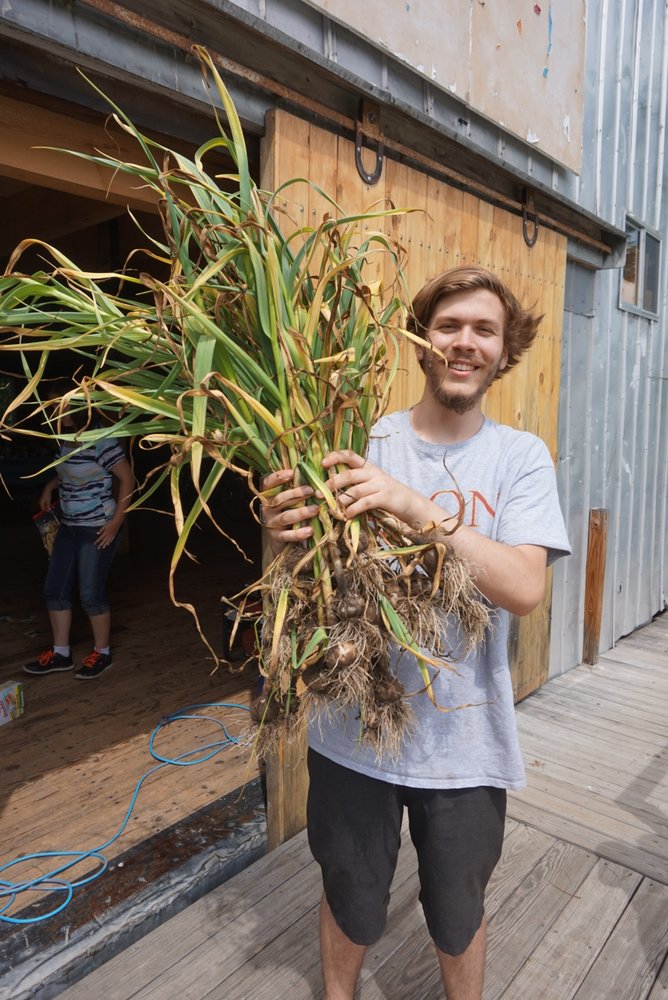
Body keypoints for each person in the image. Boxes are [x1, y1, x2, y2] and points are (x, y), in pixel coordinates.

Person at [261, 265, 571, 999]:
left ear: (505, 350)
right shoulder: (356, 438)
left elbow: (524, 587)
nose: (465, 343)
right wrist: (277, 536)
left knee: (458, 913)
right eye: (449, 326)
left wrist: (409, 503)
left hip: (466, 742)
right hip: (353, 732)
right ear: (421, 339)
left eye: (484, 330)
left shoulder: (519, 457)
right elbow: (298, 575)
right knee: (351, 895)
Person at [23, 385, 134, 680]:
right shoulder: (62, 439)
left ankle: (102, 653)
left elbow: (127, 480)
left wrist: (114, 524)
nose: (57, 412)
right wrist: (49, 486)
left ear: (82, 408)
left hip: (97, 527)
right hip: (69, 525)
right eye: (53, 407)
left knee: (90, 594)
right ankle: (60, 654)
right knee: (54, 589)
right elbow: (68, 472)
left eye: (63, 406)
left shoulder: (100, 441)